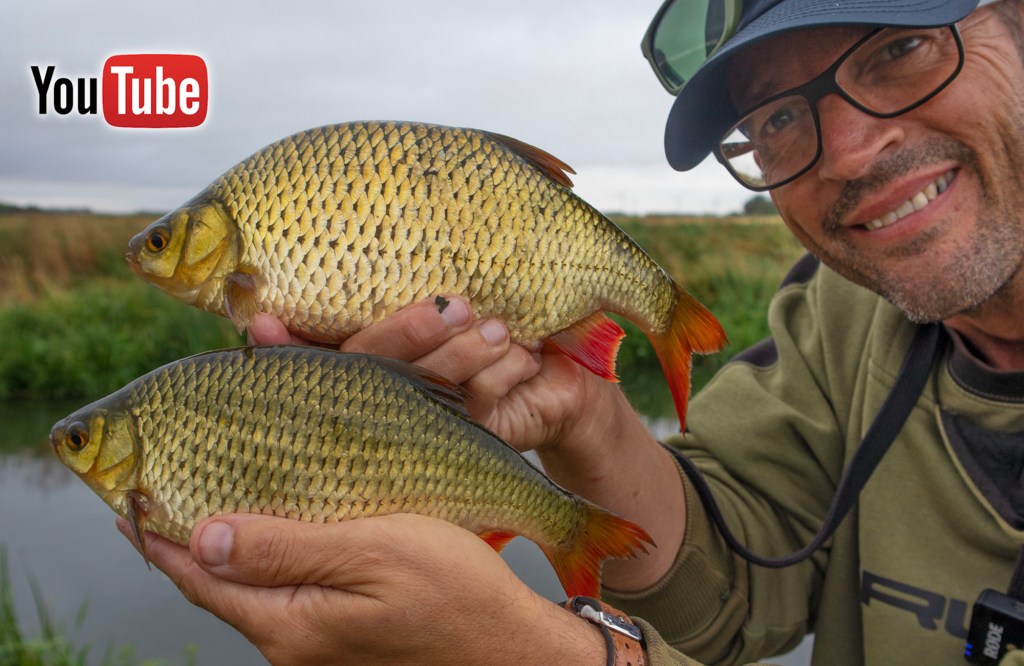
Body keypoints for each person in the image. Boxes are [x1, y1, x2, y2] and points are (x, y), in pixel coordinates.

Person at [118, 0, 1024, 663]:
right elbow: (739, 591)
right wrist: (584, 419)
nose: (855, 149)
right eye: (778, 118)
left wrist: (529, 650)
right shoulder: (843, 314)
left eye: (903, 47)